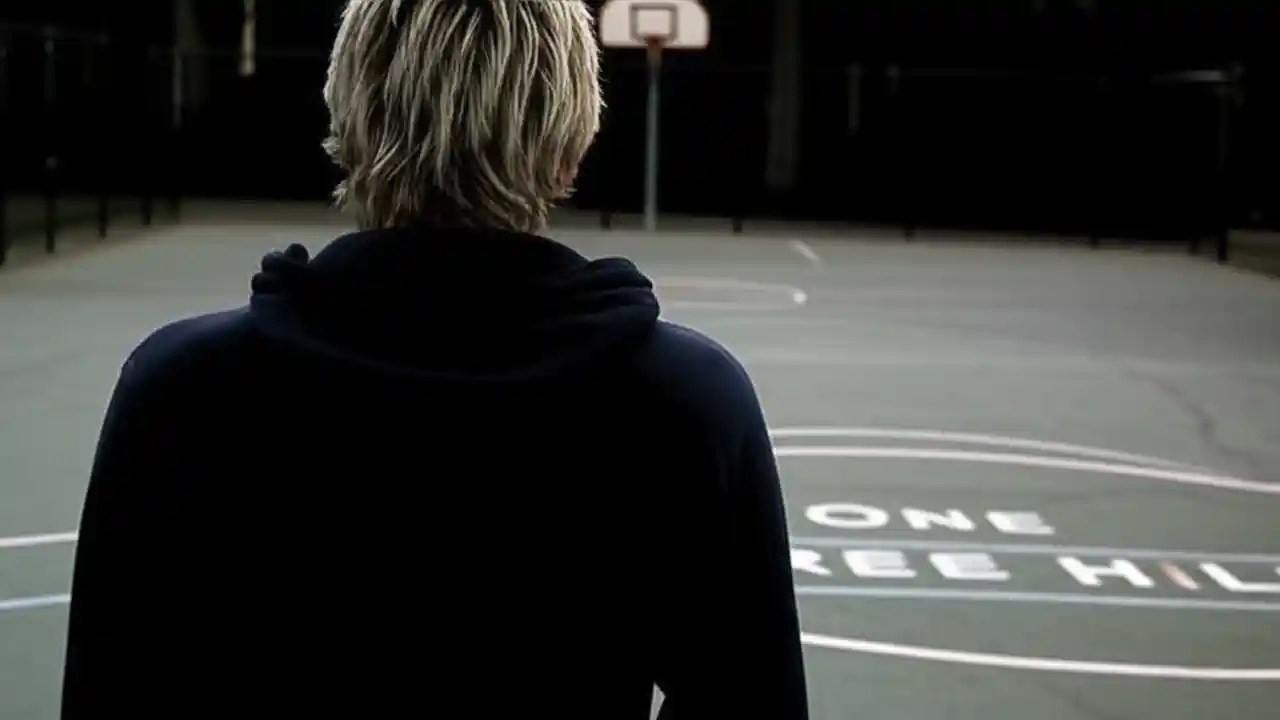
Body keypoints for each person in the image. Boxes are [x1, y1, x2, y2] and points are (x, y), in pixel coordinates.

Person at [61, 1, 808, 718]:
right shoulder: (687, 404)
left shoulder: (183, 393)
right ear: (574, 132)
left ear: (344, 110)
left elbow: (113, 693)